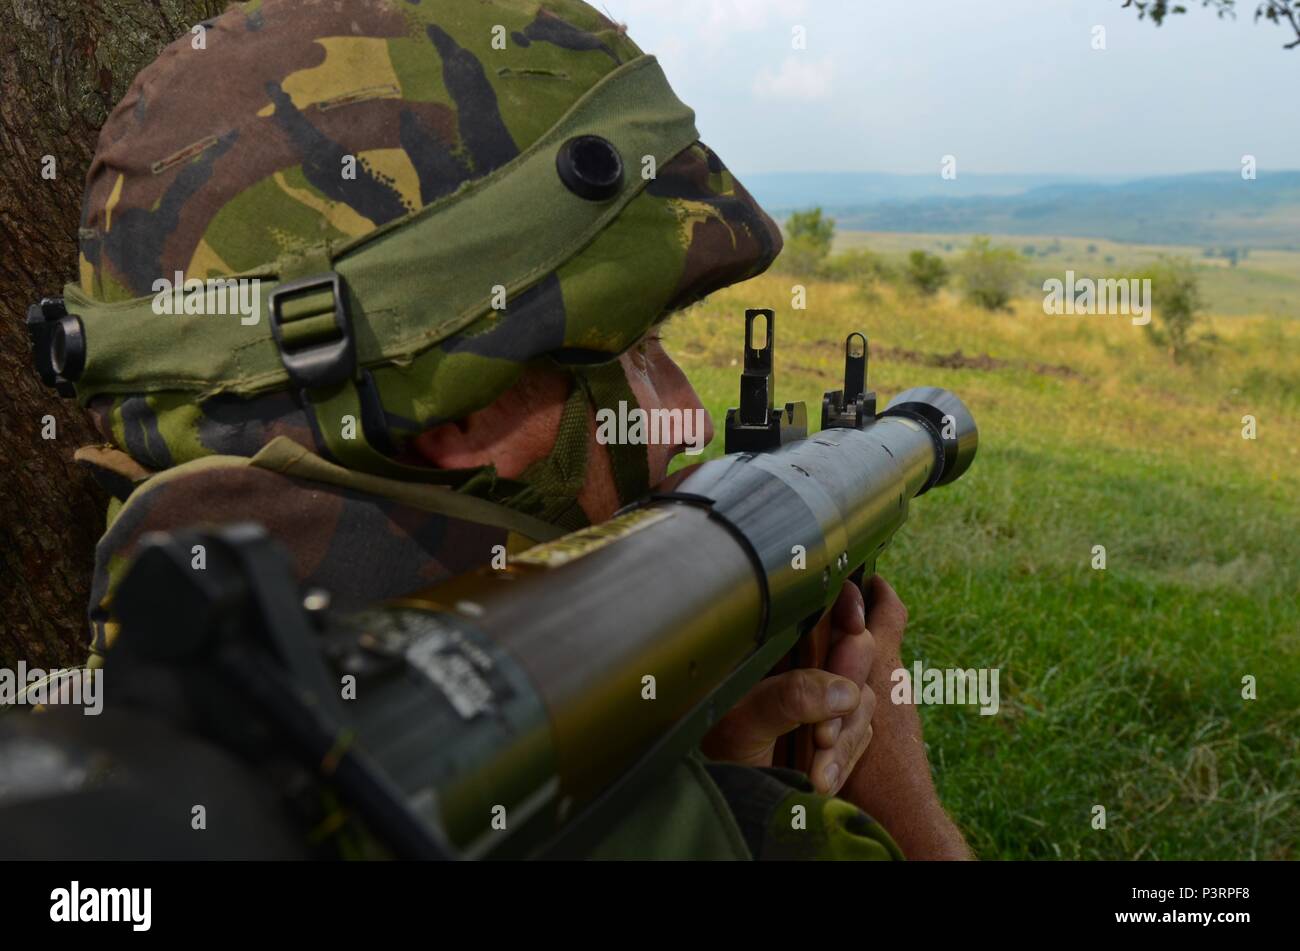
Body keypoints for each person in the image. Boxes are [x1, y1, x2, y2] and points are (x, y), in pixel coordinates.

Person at [14, 0, 969, 860]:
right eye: (639, 351)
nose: (684, 413)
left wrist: (683, 745)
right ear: (463, 407)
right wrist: (861, 792)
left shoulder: (89, 752)